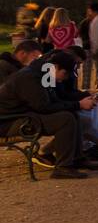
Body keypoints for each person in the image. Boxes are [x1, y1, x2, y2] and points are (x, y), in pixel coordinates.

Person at [0, 49, 92, 179]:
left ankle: (76, 159)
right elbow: (43, 106)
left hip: (21, 116)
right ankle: (63, 167)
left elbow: (53, 101)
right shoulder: (30, 77)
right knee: (65, 119)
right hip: (7, 123)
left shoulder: (43, 74)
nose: (65, 78)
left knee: (71, 114)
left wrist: (79, 101)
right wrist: (78, 104)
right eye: (65, 74)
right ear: (55, 67)